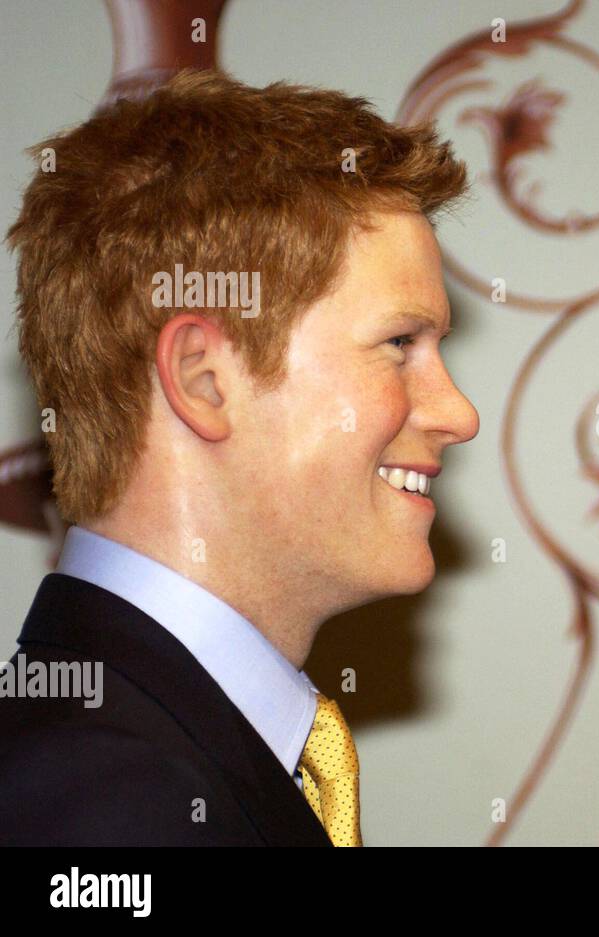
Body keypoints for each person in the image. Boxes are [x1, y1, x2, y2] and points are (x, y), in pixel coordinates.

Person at [0, 70, 478, 845]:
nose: (458, 413)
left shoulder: (138, 750)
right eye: (399, 343)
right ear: (204, 380)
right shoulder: (105, 800)